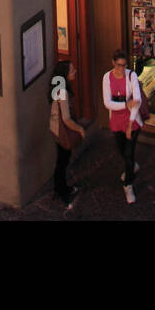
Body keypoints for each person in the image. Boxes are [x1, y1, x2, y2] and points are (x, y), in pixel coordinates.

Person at [102, 48, 142, 204]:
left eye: (124, 65)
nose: (121, 69)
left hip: (132, 120)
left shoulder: (131, 76)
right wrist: (126, 105)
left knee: (129, 154)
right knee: (121, 150)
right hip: (117, 120)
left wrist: (131, 122)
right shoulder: (106, 78)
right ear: (113, 63)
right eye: (118, 65)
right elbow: (107, 103)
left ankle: (128, 186)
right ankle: (131, 168)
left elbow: (137, 100)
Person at [48, 61, 86, 210]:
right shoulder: (62, 92)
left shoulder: (59, 87)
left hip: (55, 128)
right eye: (71, 70)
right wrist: (80, 129)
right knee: (62, 161)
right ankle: (61, 190)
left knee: (62, 160)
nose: (75, 71)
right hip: (60, 130)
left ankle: (61, 188)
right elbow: (66, 119)